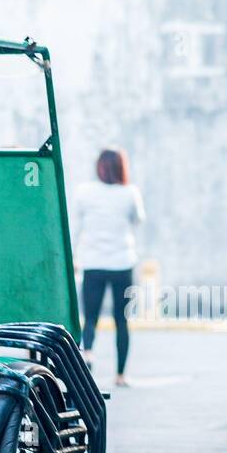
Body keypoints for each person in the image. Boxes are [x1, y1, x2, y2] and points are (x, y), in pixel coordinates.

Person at [72, 147, 145, 386]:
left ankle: (89, 352)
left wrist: (74, 256)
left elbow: (76, 227)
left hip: (93, 262)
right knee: (122, 320)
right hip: (122, 263)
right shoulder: (130, 193)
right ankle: (121, 375)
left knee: (90, 317)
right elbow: (138, 220)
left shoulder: (84, 192)